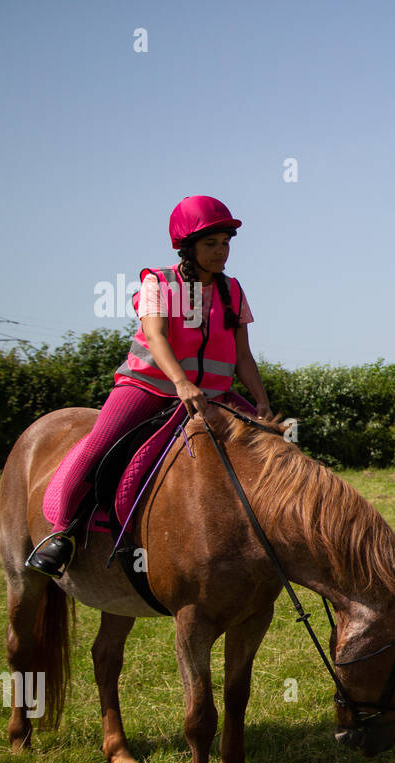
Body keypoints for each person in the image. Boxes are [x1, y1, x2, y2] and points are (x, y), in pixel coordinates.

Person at [26, 195, 272, 577]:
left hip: (214, 395)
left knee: (273, 444)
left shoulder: (233, 291)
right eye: (211, 244)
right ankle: (62, 533)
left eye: (226, 243)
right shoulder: (158, 282)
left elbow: (243, 356)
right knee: (99, 446)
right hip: (149, 386)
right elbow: (156, 337)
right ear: (188, 247)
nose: (221, 251)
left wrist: (261, 401)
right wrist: (181, 382)